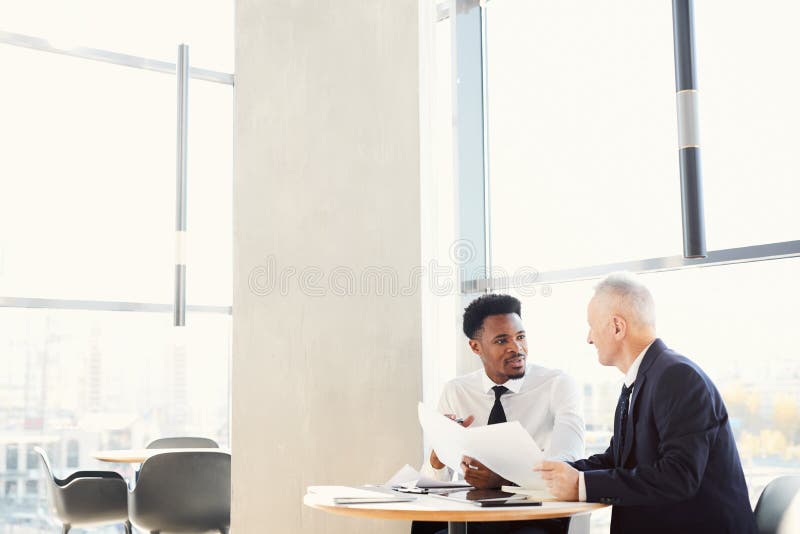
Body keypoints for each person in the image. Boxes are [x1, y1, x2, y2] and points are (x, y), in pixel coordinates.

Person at [536, 272, 757, 534]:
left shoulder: (677, 377)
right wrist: (546, 473)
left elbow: (678, 476)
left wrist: (582, 484)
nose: (589, 338)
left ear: (617, 327)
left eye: (592, 326)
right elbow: (616, 460)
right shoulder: (642, 379)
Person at [413, 294, 584, 534]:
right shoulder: (457, 391)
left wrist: (504, 480)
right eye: (502, 341)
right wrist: (437, 459)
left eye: (521, 337)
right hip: (472, 513)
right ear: (475, 346)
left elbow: (569, 463)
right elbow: (433, 483)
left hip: (534, 514)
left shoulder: (557, 385)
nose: (517, 348)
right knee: (424, 526)